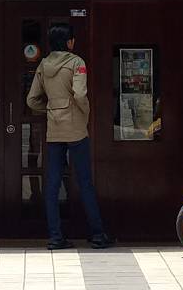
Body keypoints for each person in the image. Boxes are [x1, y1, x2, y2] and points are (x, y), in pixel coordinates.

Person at [26, 22, 114, 251]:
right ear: (69, 42)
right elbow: (81, 93)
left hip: (54, 130)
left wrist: (51, 109)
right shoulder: (77, 62)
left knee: (53, 184)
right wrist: (83, 111)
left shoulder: (43, 65)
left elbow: (32, 99)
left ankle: (56, 237)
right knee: (84, 182)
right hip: (75, 128)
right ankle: (97, 234)